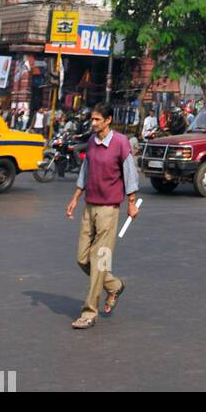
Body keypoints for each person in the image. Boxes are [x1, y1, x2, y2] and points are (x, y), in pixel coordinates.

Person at [65, 102, 139, 329]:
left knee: (100, 261)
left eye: (97, 119)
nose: (93, 123)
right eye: (93, 119)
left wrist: (132, 203)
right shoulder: (92, 142)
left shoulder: (120, 143)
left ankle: (89, 312)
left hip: (109, 210)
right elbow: (85, 172)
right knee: (82, 258)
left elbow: (130, 174)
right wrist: (75, 198)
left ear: (107, 120)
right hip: (90, 207)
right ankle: (114, 285)